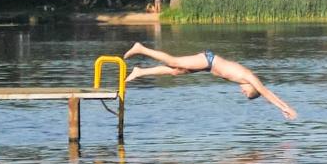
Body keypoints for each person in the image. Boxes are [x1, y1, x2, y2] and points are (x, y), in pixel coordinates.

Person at [122, 42, 298, 120]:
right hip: (209, 60)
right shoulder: (250, 77)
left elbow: (265, 94)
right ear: (251, 87)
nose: (242, 92)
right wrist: (286, 108)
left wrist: (282, 109)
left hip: (208, 66)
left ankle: (140, 72)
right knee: (174, 61)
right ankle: (141, 48)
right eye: (246, 92)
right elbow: (267, 93)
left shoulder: (242, 79)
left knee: (175, 72)